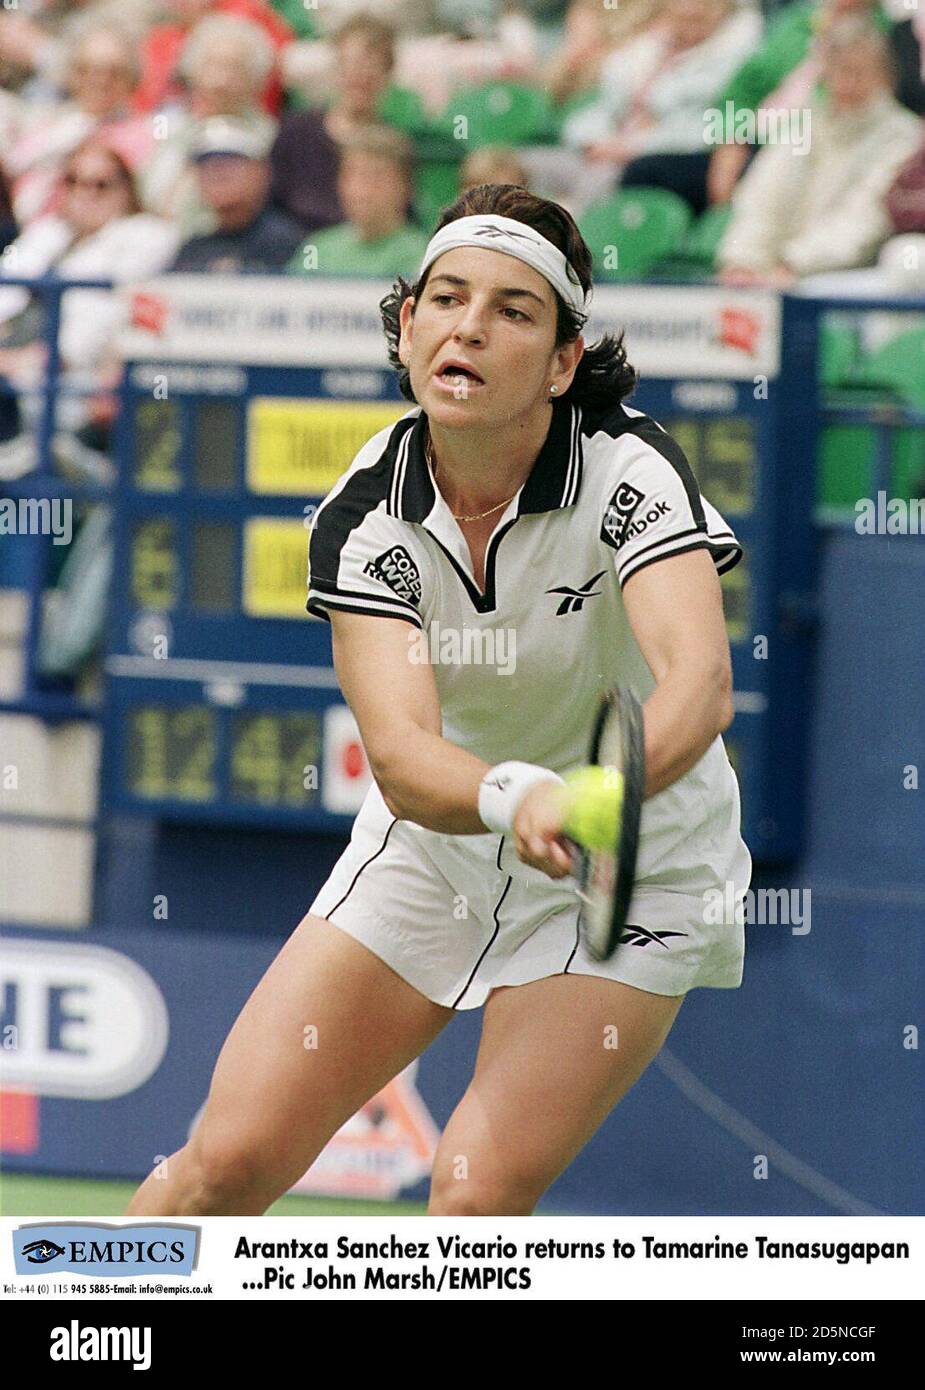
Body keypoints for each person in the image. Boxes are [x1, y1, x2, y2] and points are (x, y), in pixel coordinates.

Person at [126, 181, 750, 1218]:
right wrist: (523, 799)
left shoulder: (626, 470)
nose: (469, 325)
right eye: (447, 298)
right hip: (444, 841)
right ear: (408, 326)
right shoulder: (366, 515)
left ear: (560, 363)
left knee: (471, 1194)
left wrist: (599, 797)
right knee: (221, 1164)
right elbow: (406, 758)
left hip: (635, 865)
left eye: (513, 310)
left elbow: (701, 681)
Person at [717, 19, 922, 288]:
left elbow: (863, 222)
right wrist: (743, 262)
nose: (848, 82)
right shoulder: (803, 125)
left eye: (860, 72)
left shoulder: (903, 135)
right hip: (773, 273)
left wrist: (793, 264)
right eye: (840, 71)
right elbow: (762, 200)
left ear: (886, 76)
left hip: (843, 275)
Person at [288, 124, 426, 278]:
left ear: (405, 186)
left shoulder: (422, 255)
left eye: (376, 176)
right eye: (352, 174)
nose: (360, 189)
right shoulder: (317, 249)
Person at [169, 117, 303, 272]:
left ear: (262, 171)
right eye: (205, 164)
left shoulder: (288, 244)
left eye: (230, 162)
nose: (216, 173)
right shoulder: (193, 249)